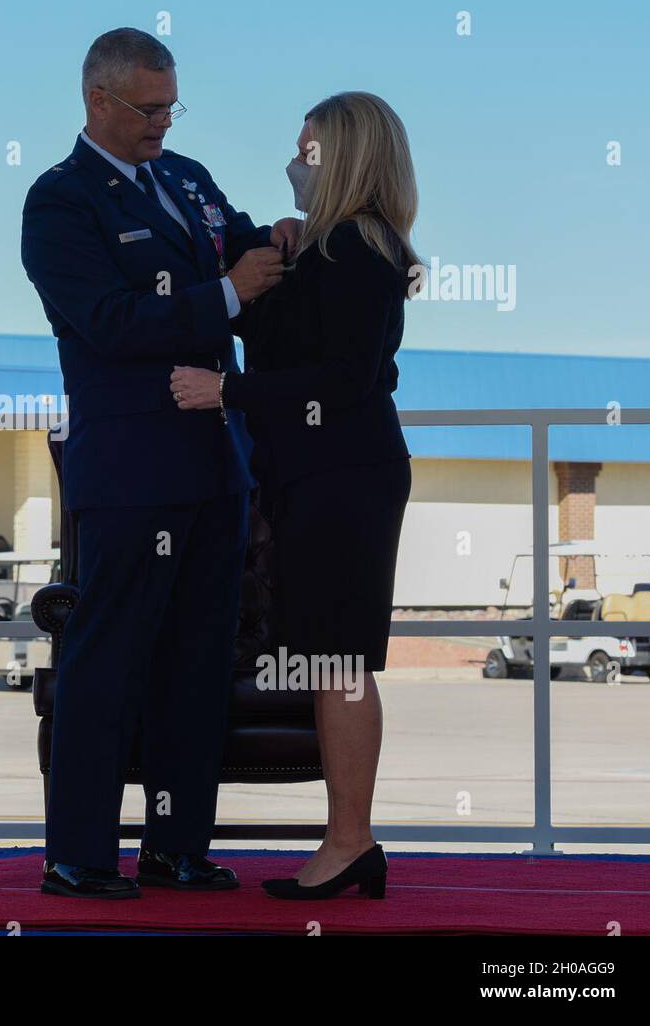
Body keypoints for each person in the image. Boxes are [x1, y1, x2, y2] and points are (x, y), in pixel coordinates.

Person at [22, 28, 299, 899]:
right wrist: (225, 294)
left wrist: (287, 243)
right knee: (106, 660)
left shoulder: (188, 180)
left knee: (197, 659)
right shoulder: (60, 203)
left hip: (220, 460)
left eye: (172, 105)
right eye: (147, 108)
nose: (162, 123)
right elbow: (107, 322)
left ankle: (176, 846)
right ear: (96, 101)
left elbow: (249, 252)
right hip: (132, 467)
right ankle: (79, 855)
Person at [171, 91, 418, 901]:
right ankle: (350, 843)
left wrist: (226, 393)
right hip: (324, 475)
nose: (293, 163)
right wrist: (277, 251)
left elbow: (342, 378)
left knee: (339, 660)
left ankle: (350, 843)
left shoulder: (356, 247)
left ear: (343, 159)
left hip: (344, 477)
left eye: (308, 152)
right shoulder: (334, 245)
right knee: (328, 658)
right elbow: (285, 336)